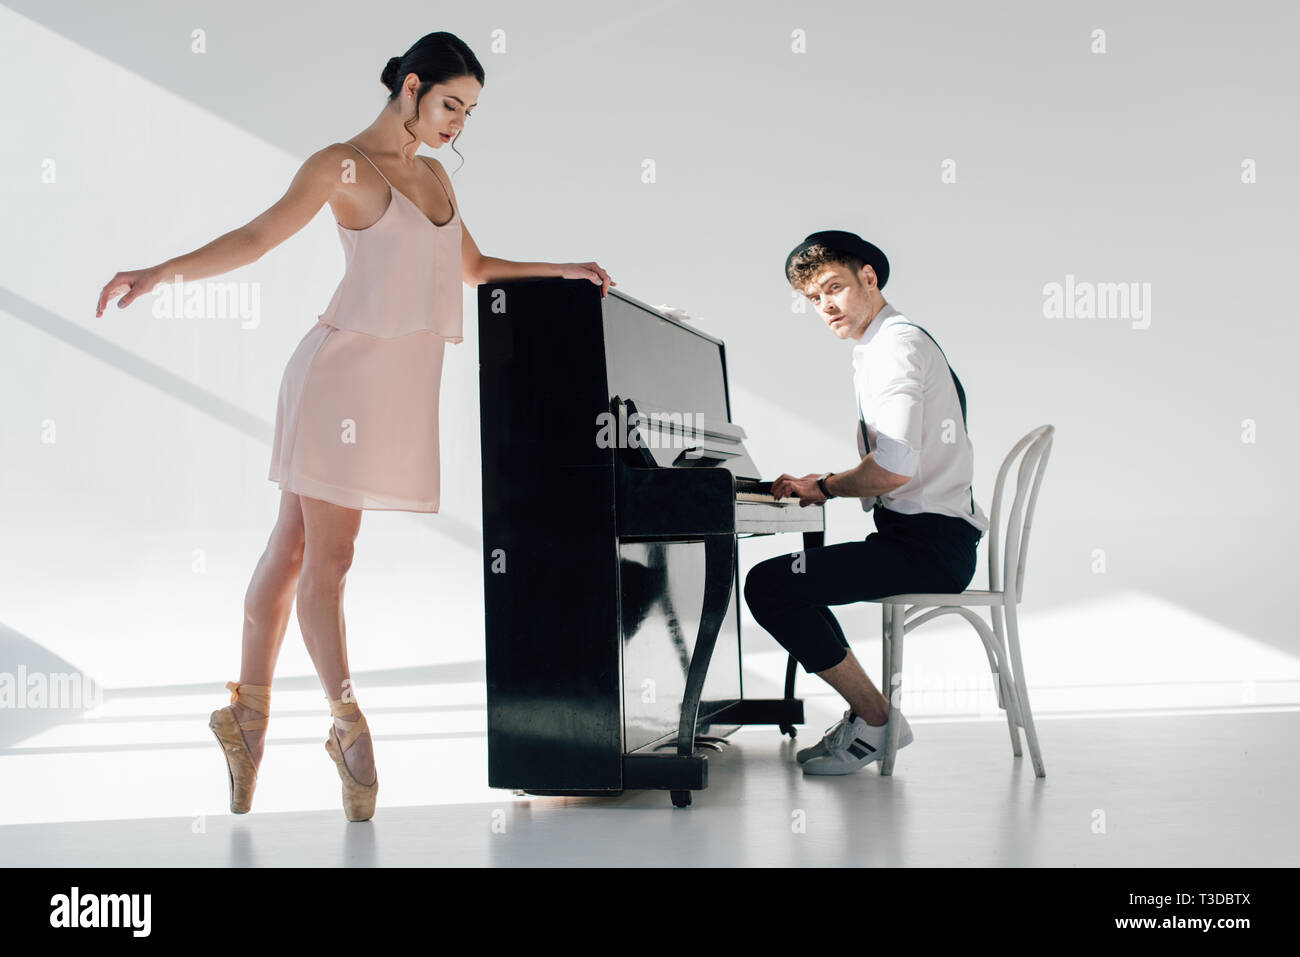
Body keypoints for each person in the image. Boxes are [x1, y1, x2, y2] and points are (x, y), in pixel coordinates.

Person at [94, 31, 616, 821]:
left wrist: (561, 267)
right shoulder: (341, 165)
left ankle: (247, 713)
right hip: (337, 382)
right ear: (410, 86)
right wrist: (162, 270)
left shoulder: (436, 176)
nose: (458, 124)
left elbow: (469, 267)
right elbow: (258, 236)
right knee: (327, 559)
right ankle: (345, 721)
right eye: (450, 104)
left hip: (396, 391)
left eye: (469, 112)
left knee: (292, 546)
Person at [743, 230, 988, 776]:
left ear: (869, 278)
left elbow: (893, 470)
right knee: (790, 580)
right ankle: (872, 716)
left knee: (770, 585)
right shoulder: (886, 344)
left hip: (930, 548)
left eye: (834, 287)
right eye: (813, 298)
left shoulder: (894, 349)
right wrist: (822, 482)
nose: (825, 305)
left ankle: (875, 719)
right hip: (924, 539)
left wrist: (824, 486)